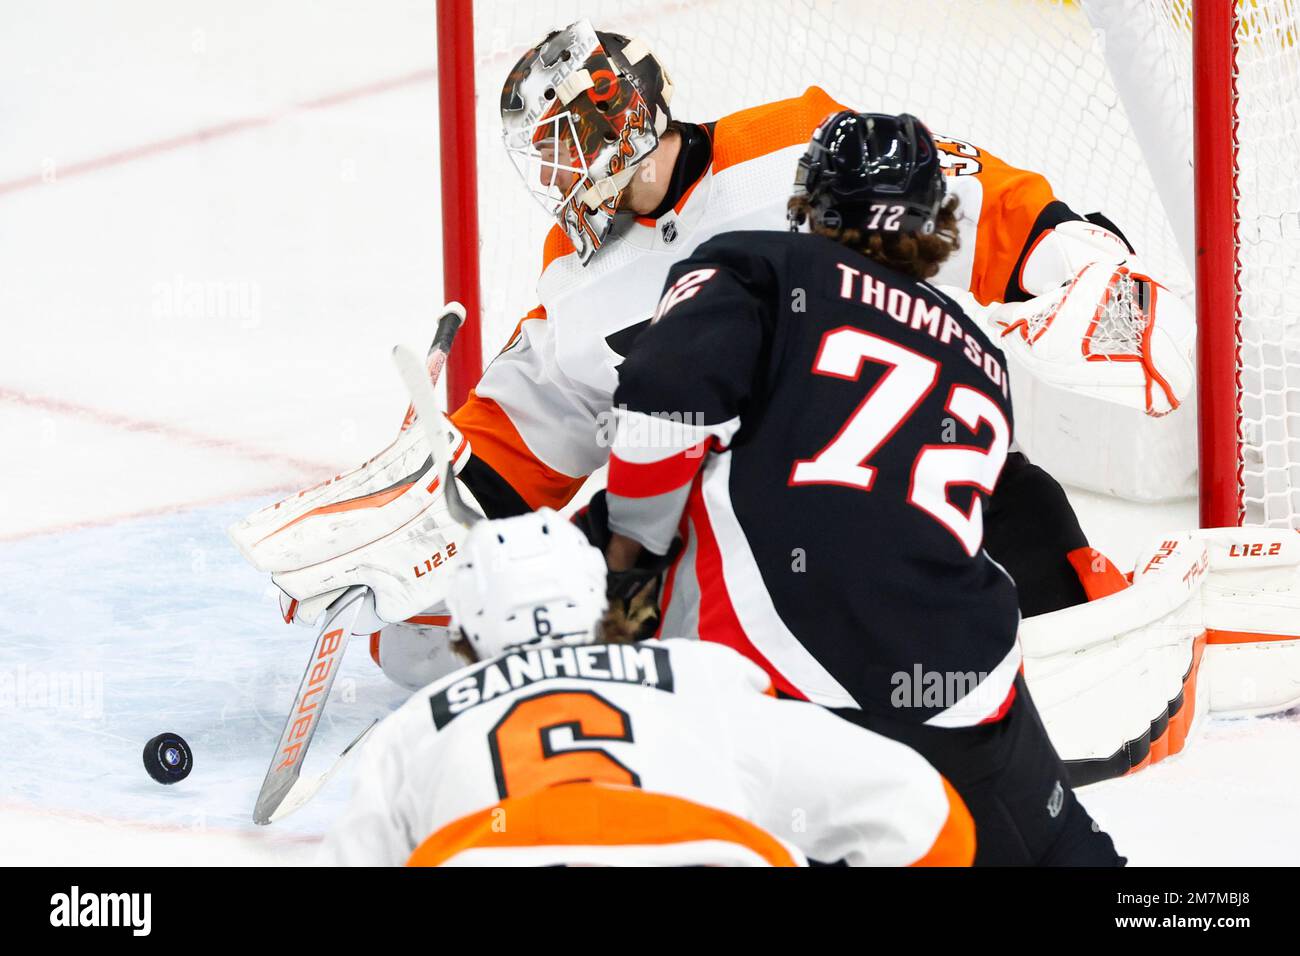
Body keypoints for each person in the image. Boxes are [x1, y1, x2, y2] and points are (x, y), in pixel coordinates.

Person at [229, 20, 1191, 695]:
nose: (560, 180)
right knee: (432, 639)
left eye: (567, 146)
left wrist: (1076, 259)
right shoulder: (574, 269)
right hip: (721, 526)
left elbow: (973, 199)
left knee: (1060, 612)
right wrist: (414, 526)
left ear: (626, 118)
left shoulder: (791, 144)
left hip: (889, 475)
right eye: (546, 160)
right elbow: (524, 432)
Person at [600, 110, 1122, 866]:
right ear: (932, 221)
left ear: (809, 202)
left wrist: (631, 564)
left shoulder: (757, 265)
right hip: (968, 685)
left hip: (797, 689)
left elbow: (659, 405)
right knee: (1069, 855)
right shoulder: (981, 357)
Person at [318, 491, 975, 867]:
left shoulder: (415, 728)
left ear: (462, 635)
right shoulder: (700, 680)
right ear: (603, 606)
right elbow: (924, 813)